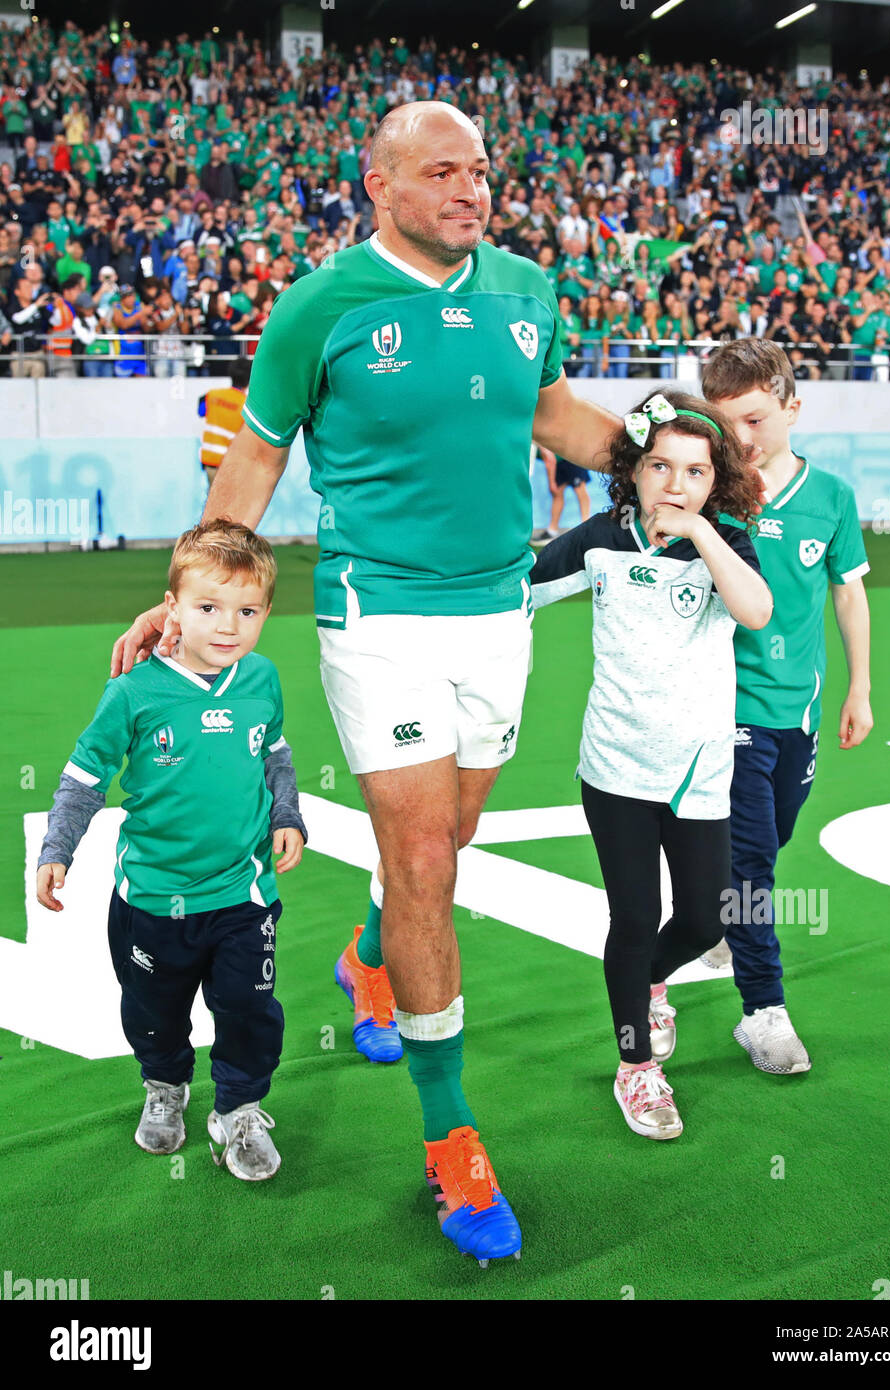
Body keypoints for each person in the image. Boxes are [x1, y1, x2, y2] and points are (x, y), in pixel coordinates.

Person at [110, 101, 621, 1269]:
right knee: (427, 859)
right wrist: (185, 586)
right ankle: (453, 1135)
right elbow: (258, 449)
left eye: (482, 171)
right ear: (379, 186)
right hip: (375, 612)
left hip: (503, 610)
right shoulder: (320, 305)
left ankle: (371, 960)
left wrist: (662, 452)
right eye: (442, 173)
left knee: (452, 840)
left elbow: (550, 412)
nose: (471, 190)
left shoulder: (529, 291)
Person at [529, 391, 770, 1138]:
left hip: (699, 767)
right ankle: (636, 1068)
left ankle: (651, 982)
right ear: (631, 469)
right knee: (630, 920)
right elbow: (519, 590)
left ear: (713, 480)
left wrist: (702, 533)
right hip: (615, 766)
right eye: (659, 466)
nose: (675, 484)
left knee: (703, 917)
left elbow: (757, 611)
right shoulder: (601, 536)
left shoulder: (724, 538)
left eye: (694, 472)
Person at [37, 522, 306, 1181]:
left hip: (243, 894)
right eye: (208, 607)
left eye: (247, 611)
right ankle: (165, 1086)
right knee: (152, 1012)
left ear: (266, 614)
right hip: (153, 898)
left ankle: (239, 1110)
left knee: (249, 1010)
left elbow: (274, 751)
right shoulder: (132, 693)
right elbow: (85, 777)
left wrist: (286, 811)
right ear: (172, 608)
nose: (227, 626)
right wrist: (57, 846)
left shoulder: (261, 679)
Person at [699, 340, 873, 1071]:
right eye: (723, 421)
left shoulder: (830, 497)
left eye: (753, 419)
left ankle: (710, 910)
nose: (738, 438)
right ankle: (762, 1011)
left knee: (770, 842)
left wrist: (858, 687)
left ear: (790, 408)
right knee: (752, 869)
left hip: (794, 713)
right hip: (720, 710)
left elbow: (847, 590)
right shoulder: (707, 489)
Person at [198, 358, 251, 488]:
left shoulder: (212, 395)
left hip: (210, 461)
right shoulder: (246, 405)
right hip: (231, 465)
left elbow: (200, 412)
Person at [533, 446, 591, 541]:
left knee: (580, 492)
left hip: (572, 459)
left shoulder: (535, 439)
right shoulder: (530, 444)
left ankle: (587, 528)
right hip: (559, 462)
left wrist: (551, 482)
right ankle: (552, 530)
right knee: (557, 494)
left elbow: (549, 458)